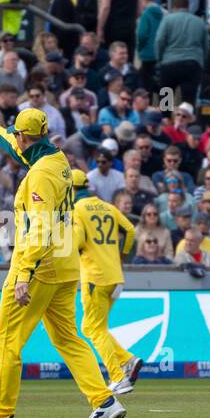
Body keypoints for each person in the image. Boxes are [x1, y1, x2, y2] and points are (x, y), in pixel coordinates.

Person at [0, 108, 126, 418]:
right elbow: (18, 146)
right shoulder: (57, 160)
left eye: (16, 134)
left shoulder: (38, 176)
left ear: (24, 137)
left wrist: (23, 273)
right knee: (66, 338)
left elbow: (40, 228)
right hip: (66, 265)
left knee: (8, 340)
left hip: (40, 266)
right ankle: (104, 401)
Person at [70, 168, 142, 395]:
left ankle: (118, 375)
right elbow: (130, 231)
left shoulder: (76, 209)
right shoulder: (107, 206)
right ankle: (127, 360)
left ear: (71, 189)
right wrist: (122, 255)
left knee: (92, 329)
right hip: (116, 277)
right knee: (96, 327)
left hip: (94, 277)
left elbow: (78, 240)